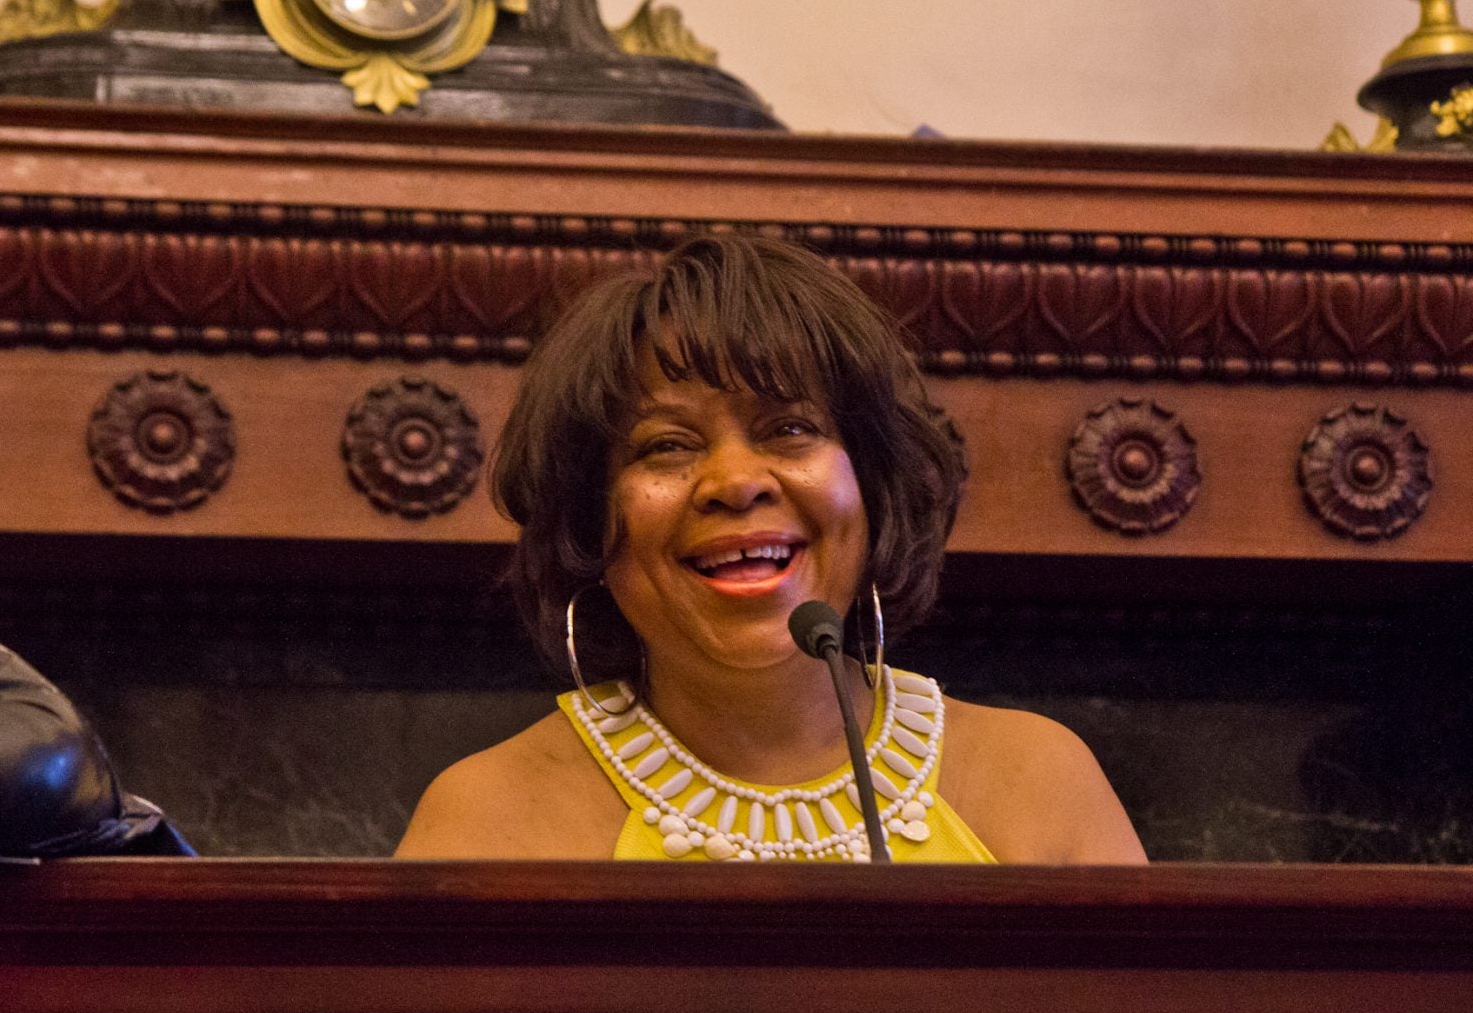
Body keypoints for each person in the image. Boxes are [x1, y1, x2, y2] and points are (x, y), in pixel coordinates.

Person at [396, 234, 1144, 863]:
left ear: (873, 487)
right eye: (665, 445)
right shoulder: (484, 823)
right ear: (588, 521)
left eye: (789, 429)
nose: (734, 481)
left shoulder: (1041, 784)